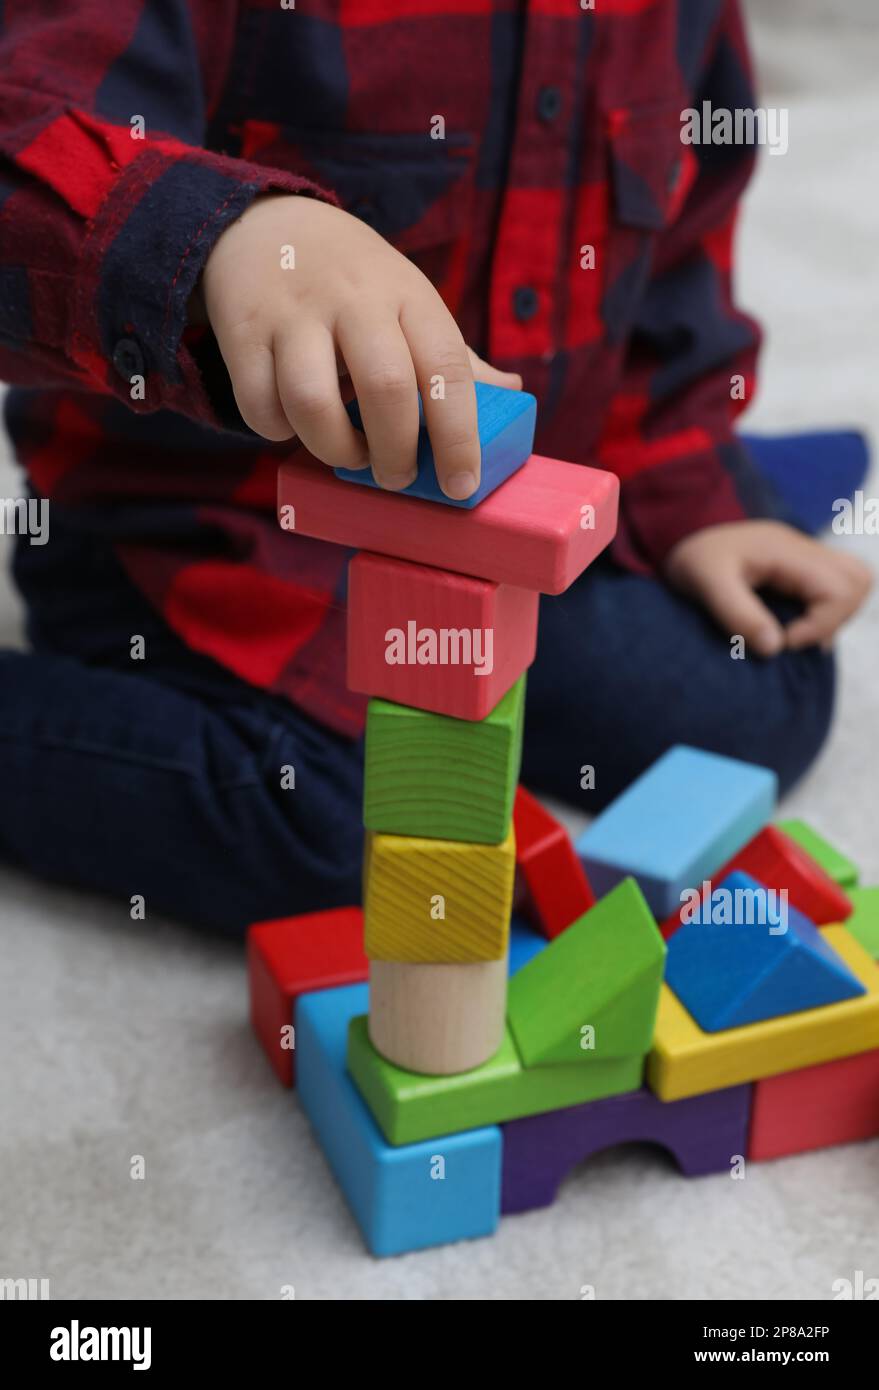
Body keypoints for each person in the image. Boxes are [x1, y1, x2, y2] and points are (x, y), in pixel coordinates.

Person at [0, 0, 870, 933]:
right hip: (210, 541)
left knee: (767, 694)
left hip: (497, 524)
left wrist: (692, 488)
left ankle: (680, 494)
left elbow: (675, 258)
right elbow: (24, 129)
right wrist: (217, 237)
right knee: (347, 831)